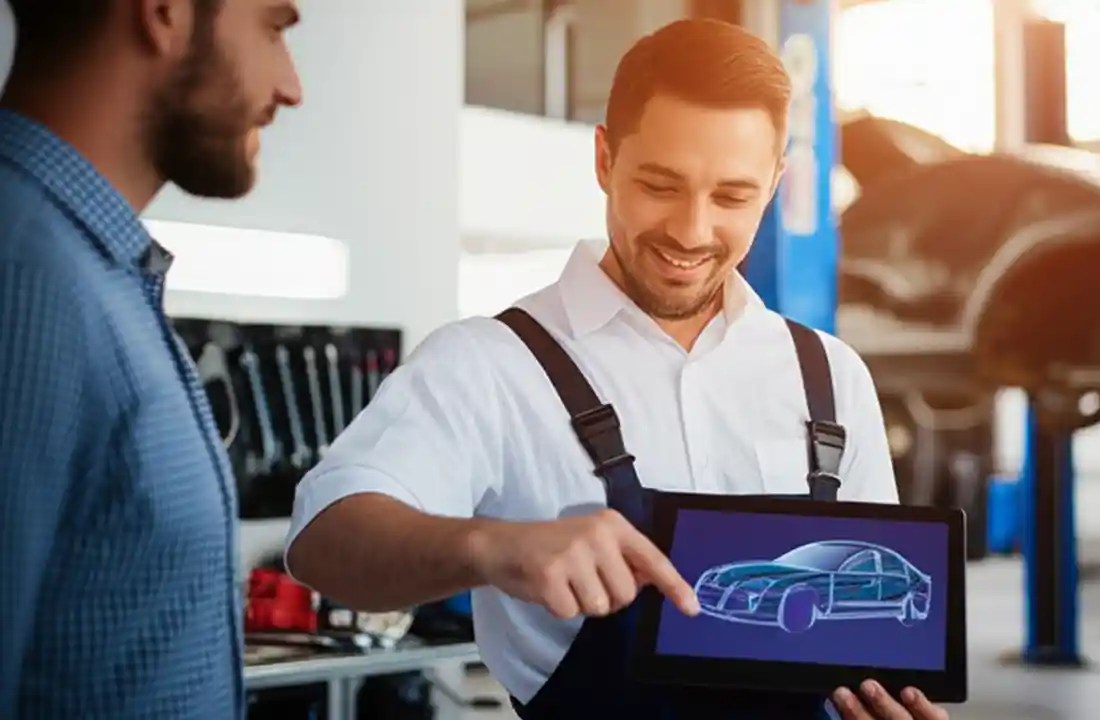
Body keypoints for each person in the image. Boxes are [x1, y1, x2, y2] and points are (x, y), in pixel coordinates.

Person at [286, 18, 945, 720]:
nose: (691, 231)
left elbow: (874, 640)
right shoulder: (489, 365)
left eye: (731, 196)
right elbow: (324, 542)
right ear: (604, 159)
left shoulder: (831, 378)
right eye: (661, 185)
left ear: (774, 183)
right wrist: (491, 545)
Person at [0, 1, 301, 717]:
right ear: (163, 12)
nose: (292, 87)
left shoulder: (90, 274)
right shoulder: (22, 275)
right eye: (273, 27)